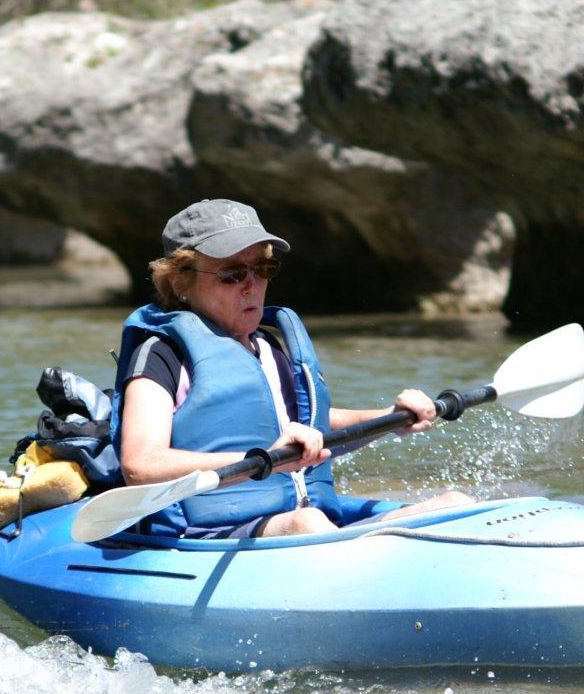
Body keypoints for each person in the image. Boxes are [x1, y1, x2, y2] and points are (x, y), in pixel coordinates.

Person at [111, 198, 472, 538]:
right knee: (309, 523)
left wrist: (390, 417)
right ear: (179, 282)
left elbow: (309, 427)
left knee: (454, 505)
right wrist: (264, 460)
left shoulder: (269, 348)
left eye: (263, 268)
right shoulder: (162, 354)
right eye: (232, 274)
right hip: (211, 533)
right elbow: (141, 464)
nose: (252, 286)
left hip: (304, 520)